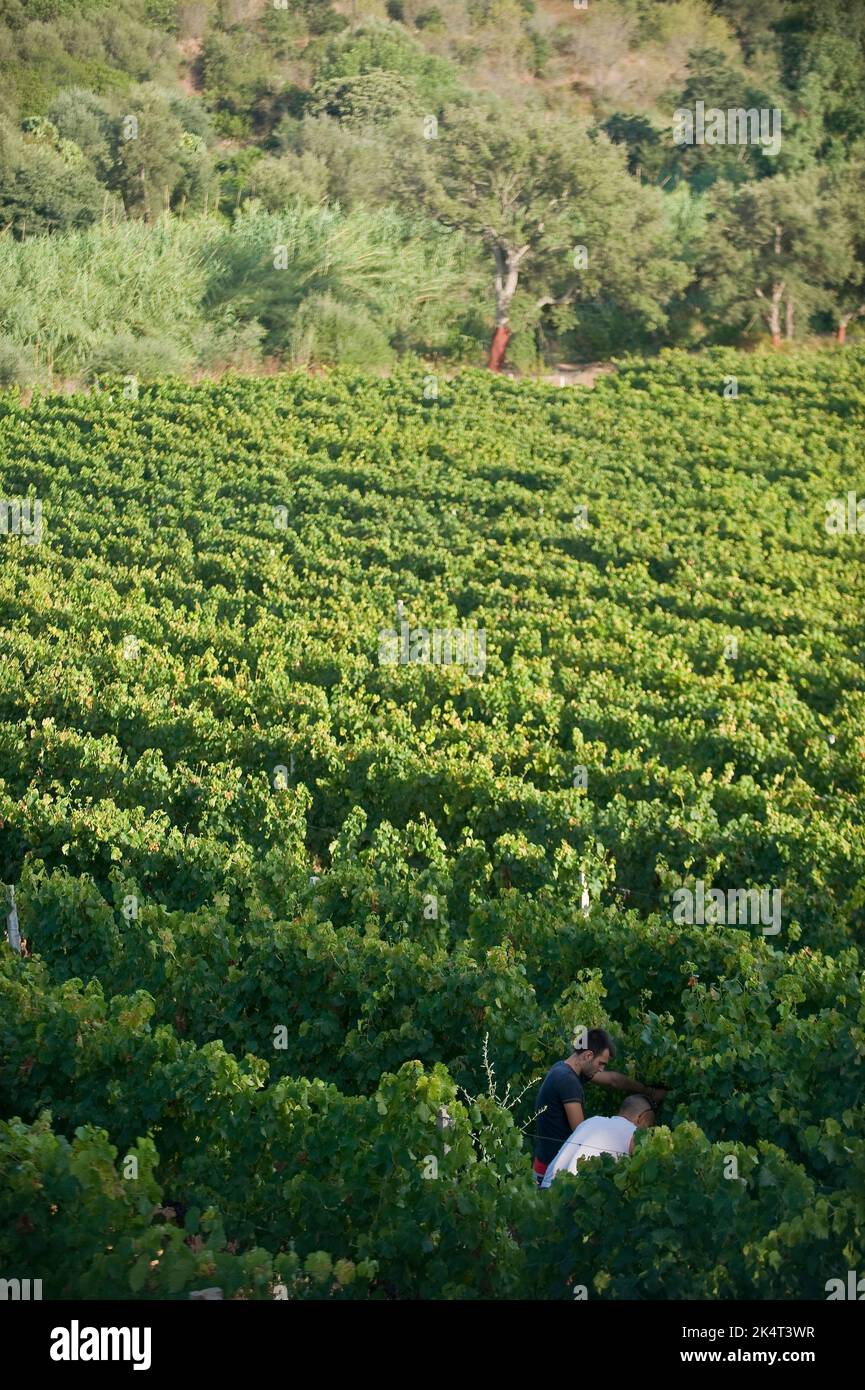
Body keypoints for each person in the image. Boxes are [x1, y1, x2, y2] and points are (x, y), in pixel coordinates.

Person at [531, 1028, 666, 1185]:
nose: (601, 1069)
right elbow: (581, 1132)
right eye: (601, 1063)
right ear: (588, 1055)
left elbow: (614, 1080)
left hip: (546, 1161)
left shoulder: (563, 1069)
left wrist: (648, 1091)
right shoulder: (568, 1082)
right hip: (555, 1168)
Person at [540, 1094, 656, 1188]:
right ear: (643, 1118)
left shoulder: (591, 1121)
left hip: (547, 1187)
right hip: (572, 1198)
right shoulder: (635, 1134)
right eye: (650, 1125)